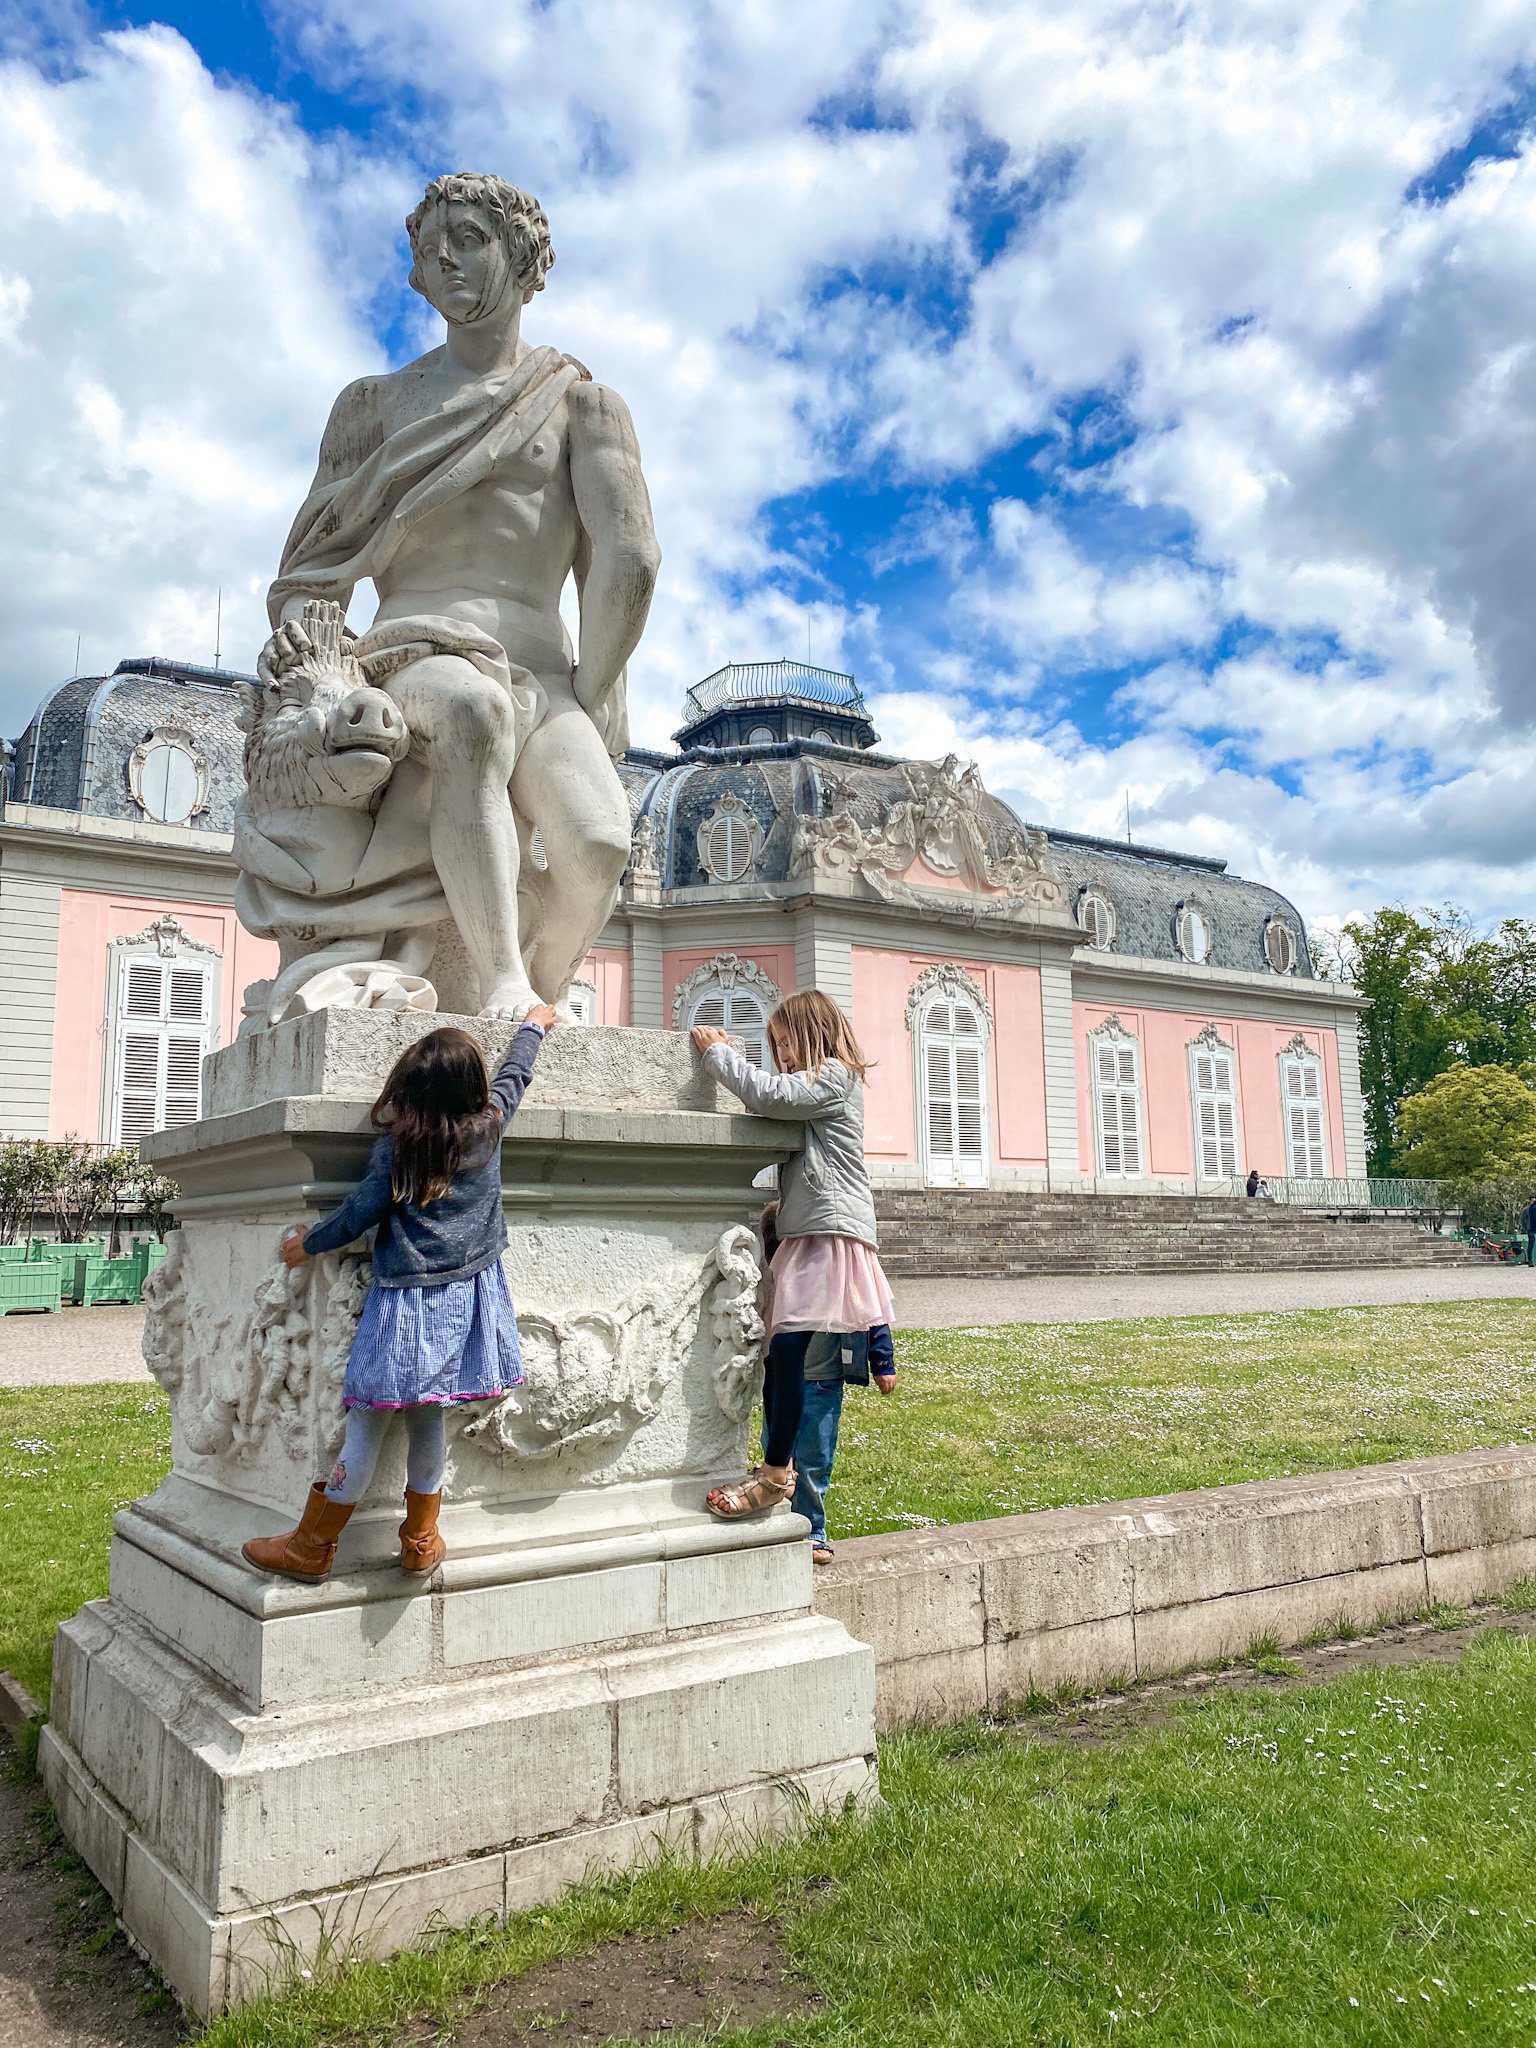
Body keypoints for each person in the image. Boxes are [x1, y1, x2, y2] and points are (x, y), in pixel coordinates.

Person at [241, 1009, 556, 1583]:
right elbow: (515, 1076)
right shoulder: (488, 1127)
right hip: (466, 1302)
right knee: (428, 1423)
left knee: (364, 1428)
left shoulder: (399, 1148)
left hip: (405, 1310)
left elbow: (358, 1214)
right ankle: (419, 1540)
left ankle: (312, 1547)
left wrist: (305, 1246)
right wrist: (533, 1027)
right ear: (470, 1089)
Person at [692, 989, 893, 1519]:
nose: (780, 1056)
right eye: (774, 1046)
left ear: (811, 1034)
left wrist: (718, 1055)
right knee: (782, 1354)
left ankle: (775, 1476)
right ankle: (775, 1472)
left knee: (787, 1352)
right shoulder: (825, 1083)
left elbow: (767, 1095)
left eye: (784, 1043)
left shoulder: (833, 1076)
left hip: (829, 1231)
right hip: (810, 1230)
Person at [1524, 1192, 1536, 1267]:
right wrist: (1525, 1228)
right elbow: (1522, 1220)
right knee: (1531, 1244)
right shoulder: (1526, 1210)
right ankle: (1530, 1260)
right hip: (1530, 1229)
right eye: (1532, 1200)